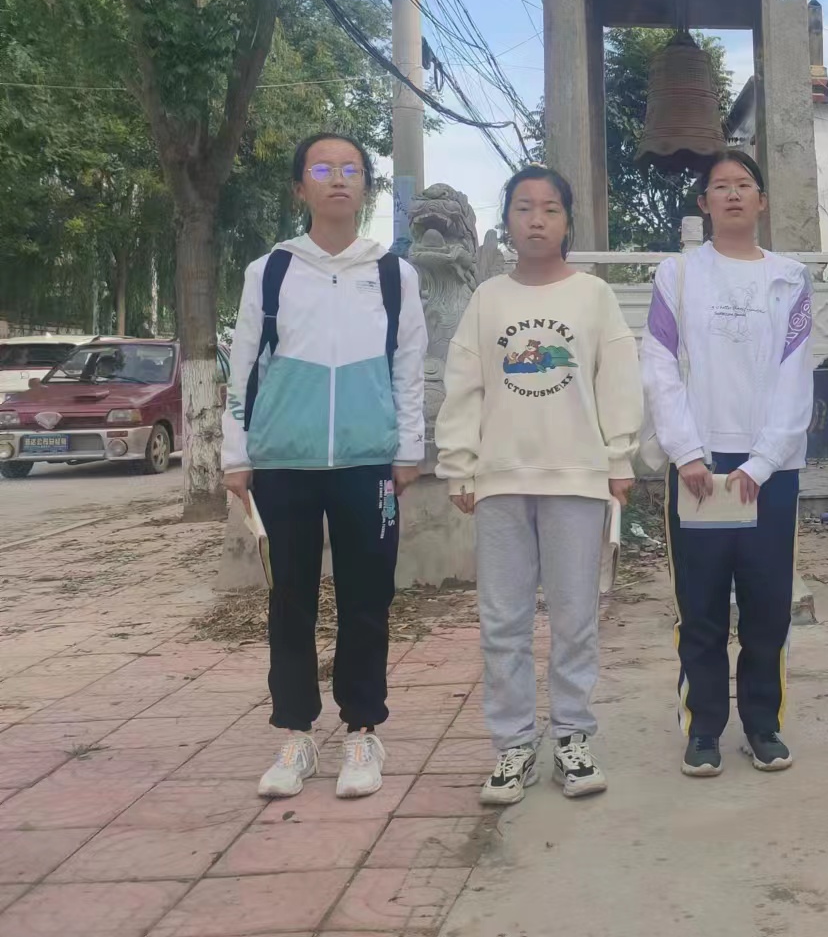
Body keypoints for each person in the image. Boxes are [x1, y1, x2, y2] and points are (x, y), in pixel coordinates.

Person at [223, 133, 428, 800]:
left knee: (367, 601)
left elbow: (408, 367)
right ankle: (296, 734)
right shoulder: (271, 272)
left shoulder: (393, 274)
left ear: (366, 186)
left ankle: (363, 731)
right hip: (283, 463)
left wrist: (408, 449)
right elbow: (244, 367)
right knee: (290, 601)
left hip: (368, 464)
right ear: (299, 187)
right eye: (321, 167)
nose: (338, 178)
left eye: (351, 169)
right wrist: (236, 454)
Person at [435, 166, 643, 804]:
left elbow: (617, 381)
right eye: (524, 207)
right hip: (500, 480)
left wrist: (619, 459)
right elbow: (465, 384)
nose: (536, 219)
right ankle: (514, 747)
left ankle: (573, 738)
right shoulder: (488, 299)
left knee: (576, 618)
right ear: (507, 220)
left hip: (577, 479)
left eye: (550, 208)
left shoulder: (593, 297)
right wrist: (459, 462)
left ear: (567, 222)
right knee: (504, 621)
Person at [640, 151, 814, 778]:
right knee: (702, 605)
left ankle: (763, 725)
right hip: (701, 467)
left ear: (761, 200)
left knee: (768, 605)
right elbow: (659, 364)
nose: (733, 194)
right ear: (704, 202)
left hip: (770, 470)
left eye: (744, 185)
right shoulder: (679, 274)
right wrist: (686, 451)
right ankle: (704, 728)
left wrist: (763, 462)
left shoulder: (790, 277)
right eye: (720, 186)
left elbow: (796, 373)